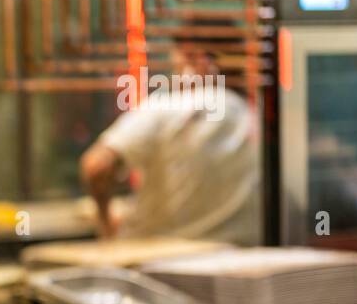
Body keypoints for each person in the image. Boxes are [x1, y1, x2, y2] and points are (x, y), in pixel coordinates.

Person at [79, 39, 261, 245]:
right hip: (237, 256)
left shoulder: (167, 107)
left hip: (159, 257)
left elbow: (96, 166)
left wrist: (106, 224)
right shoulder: (253, 117)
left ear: (196, 58)